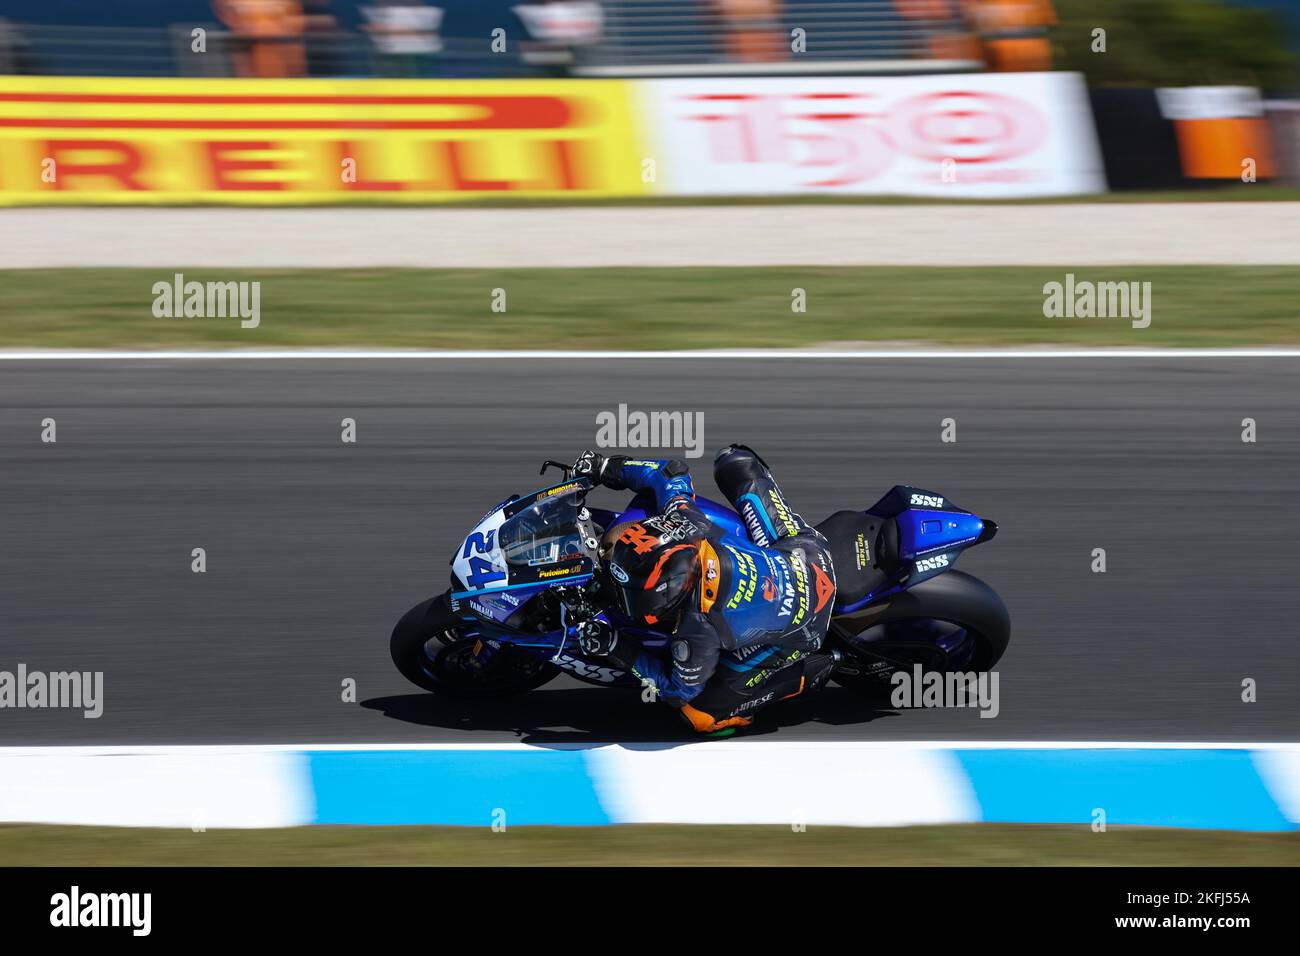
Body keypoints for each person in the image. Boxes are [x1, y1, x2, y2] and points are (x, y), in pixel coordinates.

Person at [571, 445, 839, 735]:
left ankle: (809, 671)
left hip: (806, 624)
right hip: (804, 551)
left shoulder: (698, 629)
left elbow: (677, 690)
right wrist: (606, 467)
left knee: (700, 715)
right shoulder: (690, 526)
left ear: (666, 593)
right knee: (733, 459)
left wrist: (616, 647)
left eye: (634, 593)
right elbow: (671, 472)